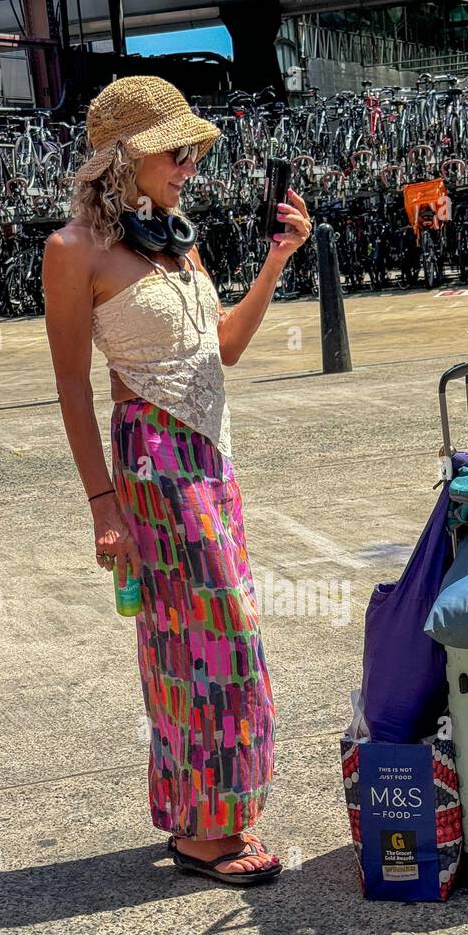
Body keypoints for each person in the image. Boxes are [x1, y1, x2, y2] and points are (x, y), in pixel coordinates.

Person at [42, 76, 311, 884]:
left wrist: (275, 262)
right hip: (153, 464)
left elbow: (221, 347)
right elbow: (69, 385)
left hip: (211, 459)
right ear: (126, 156)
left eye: (193, 151)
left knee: (216, 636)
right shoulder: (72, 252)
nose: (190, 165)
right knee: (209, 638)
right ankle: (203, 831)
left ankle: (215, 816)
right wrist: (102, 504)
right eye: (177, 151)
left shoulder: (174, 239)